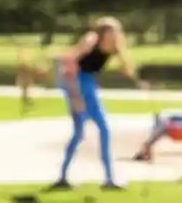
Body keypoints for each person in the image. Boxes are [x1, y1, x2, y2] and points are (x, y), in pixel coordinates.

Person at [50, 17, 146, 191]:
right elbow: (69, 61)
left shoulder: (114, 47)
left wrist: (139, 82)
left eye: (117, 32)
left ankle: (64, 178)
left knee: (82, 133)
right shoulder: (91, 39)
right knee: (102, 128)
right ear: (103, 32)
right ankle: (108, 180)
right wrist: (75, 95)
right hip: (78, 84)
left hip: (88, 83)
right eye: (111, 32)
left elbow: (126, 67)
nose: (115, 35)